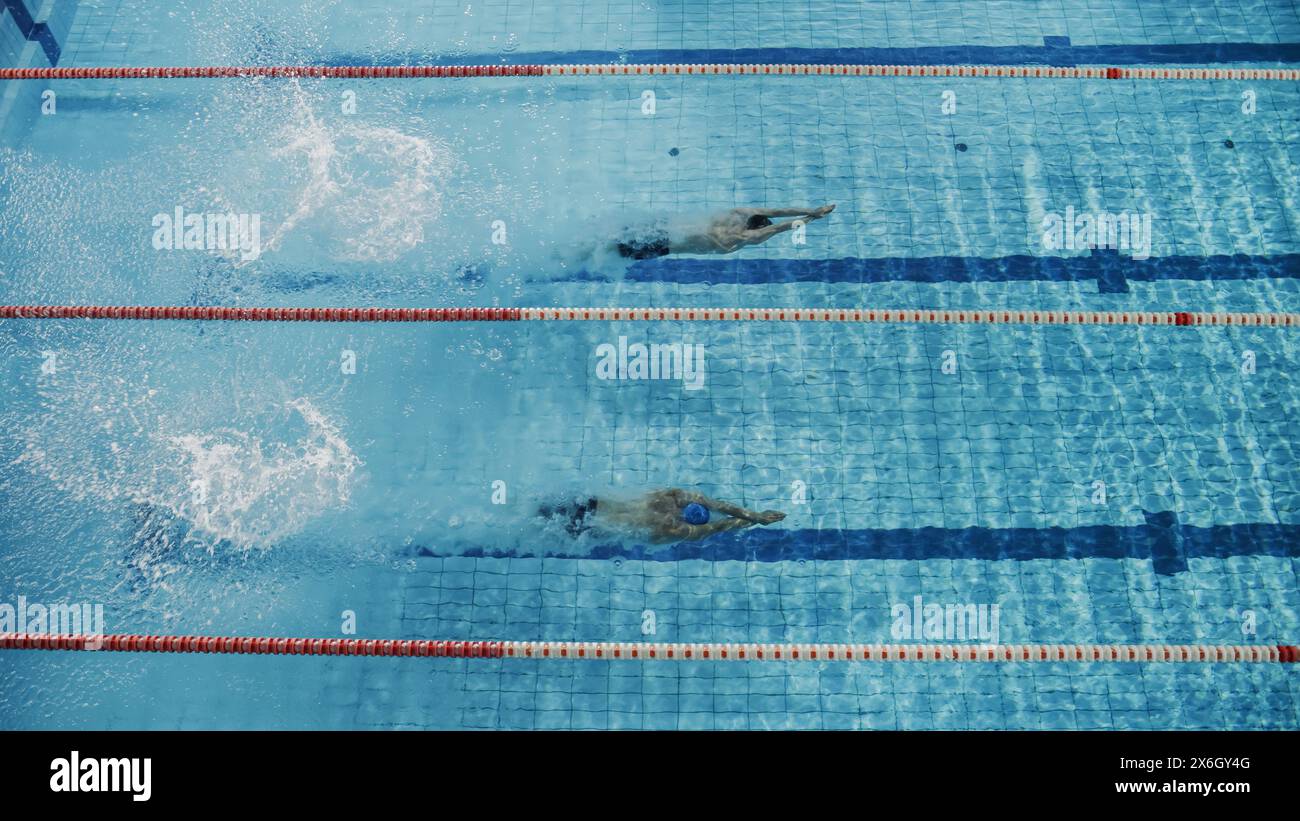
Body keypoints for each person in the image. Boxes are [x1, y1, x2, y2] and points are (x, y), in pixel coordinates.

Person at [538, 488, 786, 543]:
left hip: (591, 505)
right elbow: (721, 526)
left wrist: (755, 514)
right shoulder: (676, 529)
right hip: (590, 529)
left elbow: (717, 505)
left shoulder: (671, 495)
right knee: (540, 527)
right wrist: (753, 519)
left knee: (538, 510)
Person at [614, 204, 835, 259]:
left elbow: (779, 211)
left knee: (611, 236)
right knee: (610, 250)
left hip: (661, 225)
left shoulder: (739, 213)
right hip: (661, 245)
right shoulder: (741, 238)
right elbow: (780, 226)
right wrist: (809, 220)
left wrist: (812, 211)